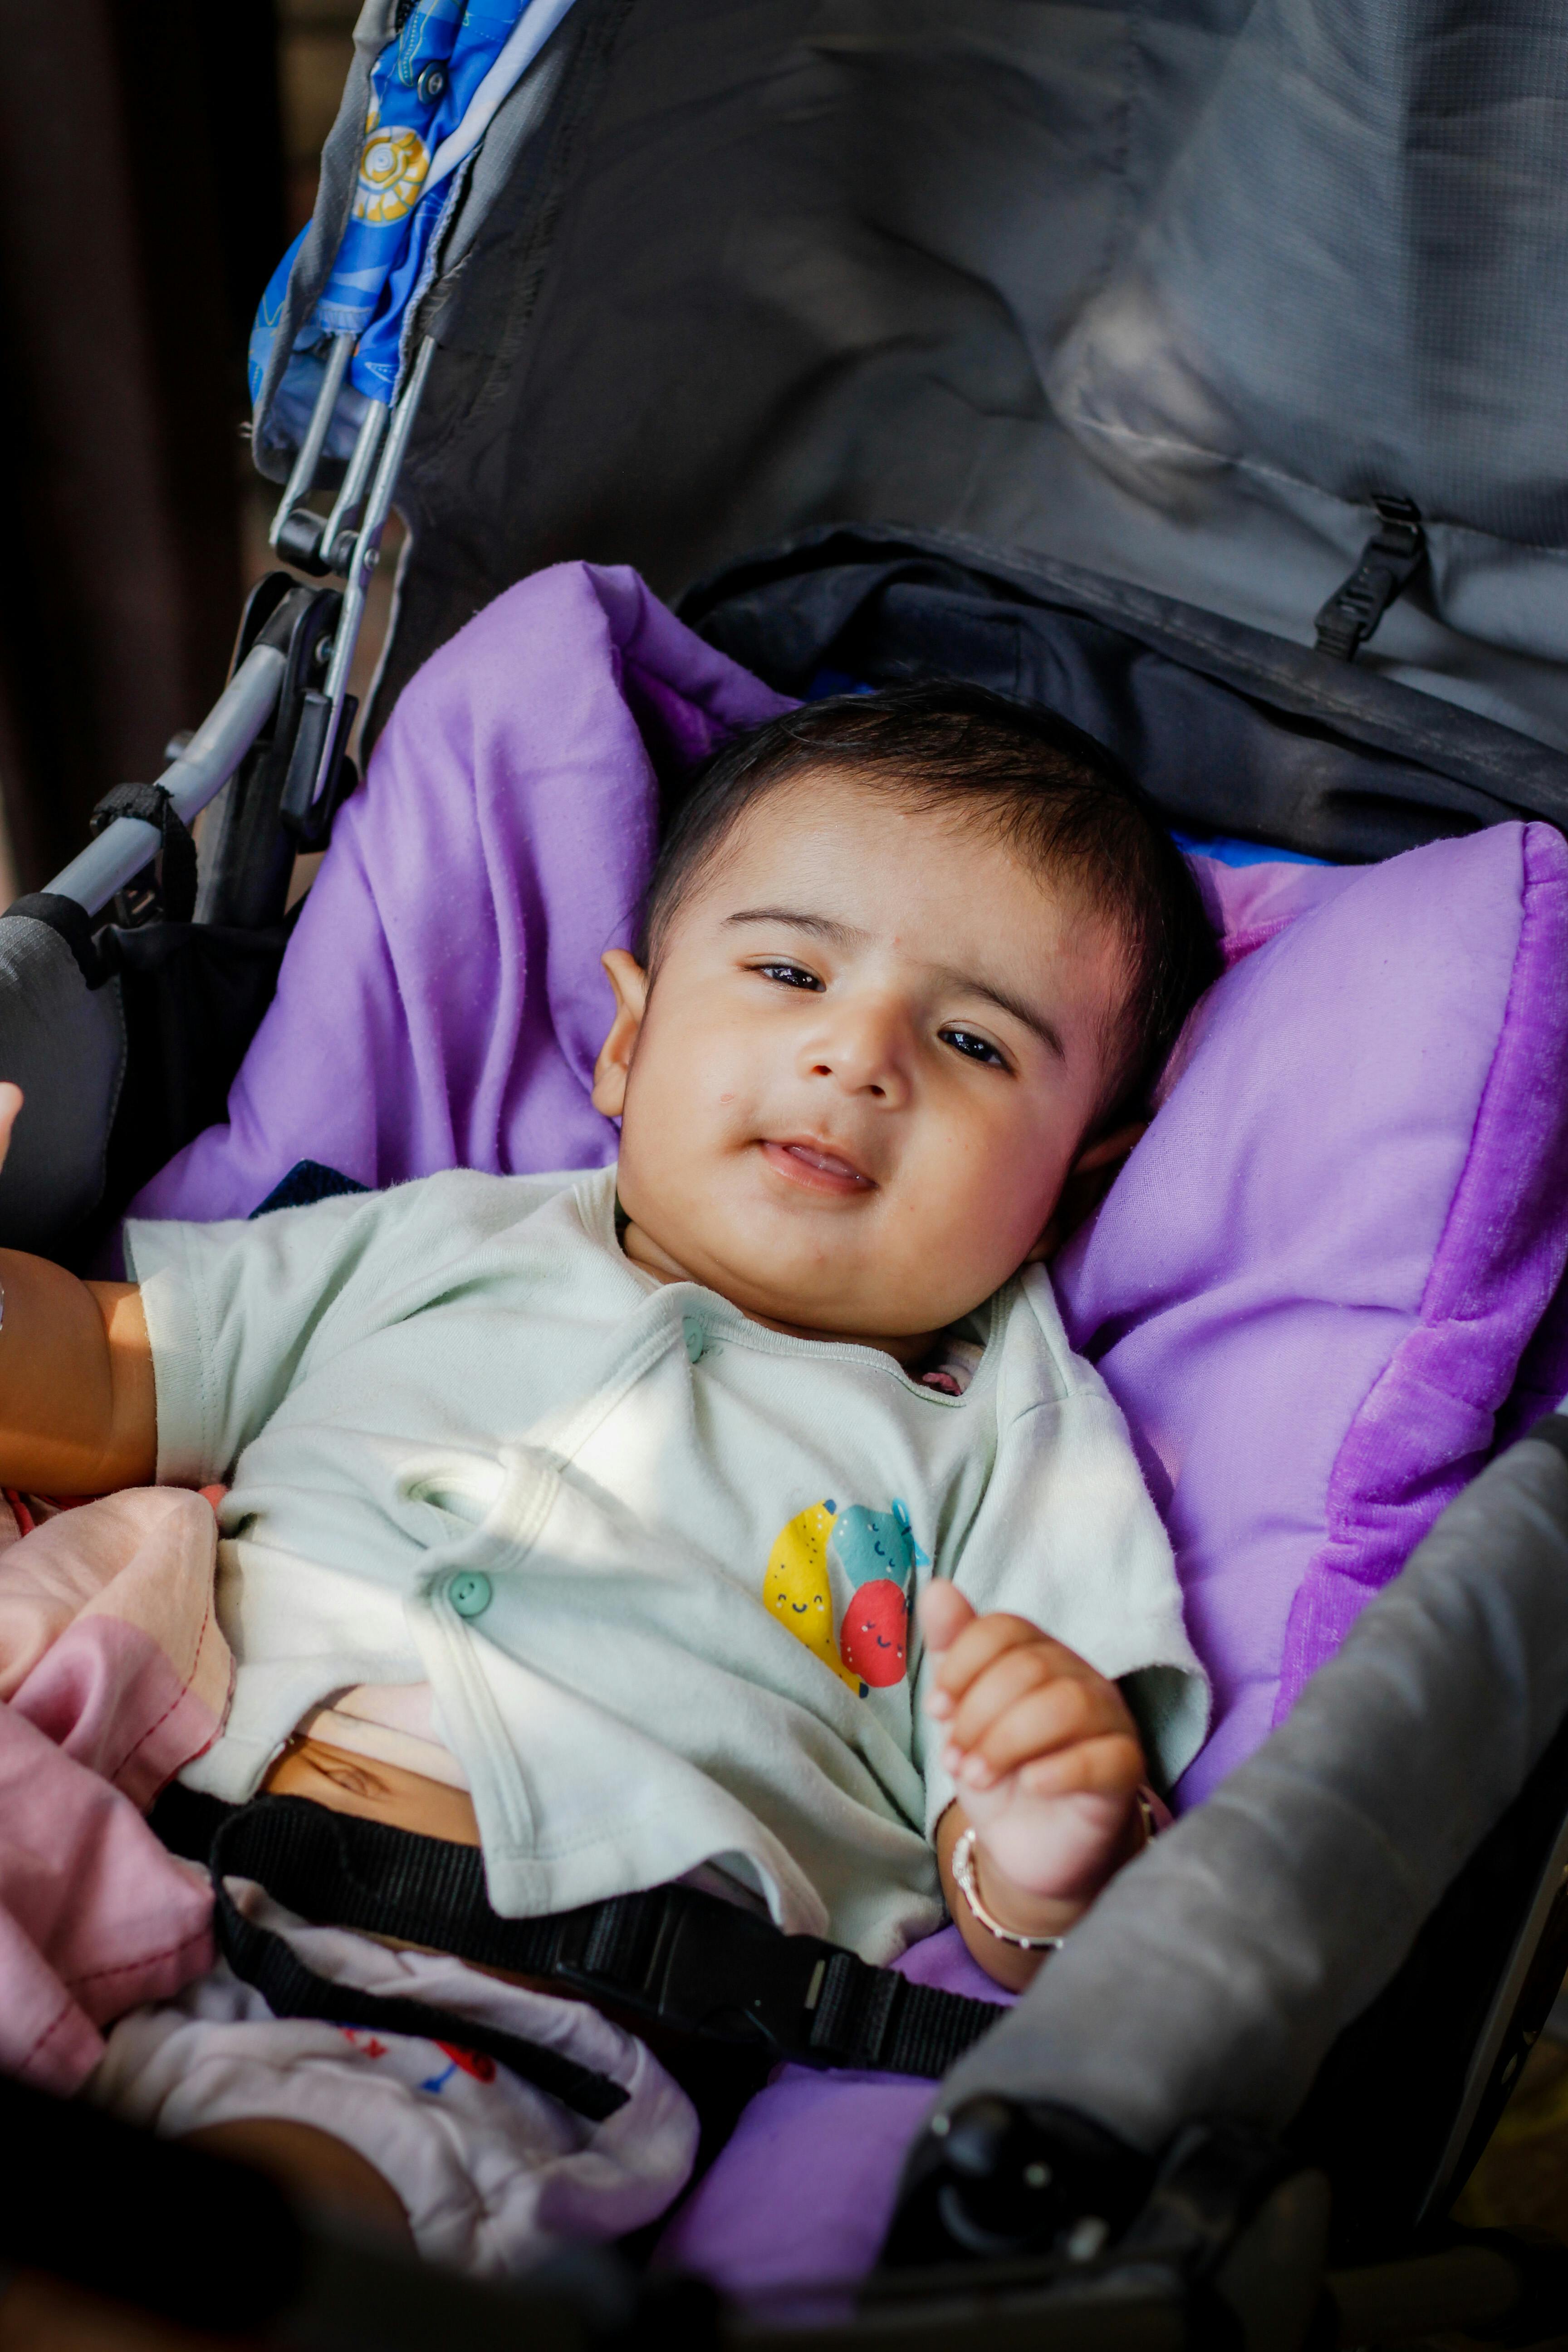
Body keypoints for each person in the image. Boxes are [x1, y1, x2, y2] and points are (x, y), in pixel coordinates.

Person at [0, 684, 1219, 2265]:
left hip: (488, 1986)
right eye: (788, 972)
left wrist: (1056, 1835)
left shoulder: (1009, 1436)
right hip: (108, 1779)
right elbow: (103, 1375)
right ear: (632, 1039)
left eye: (974, 1040)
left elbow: (1022, 1875)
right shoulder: (438, 1240)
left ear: (1074, 1184)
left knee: (277, 2218)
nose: (858, 1057)